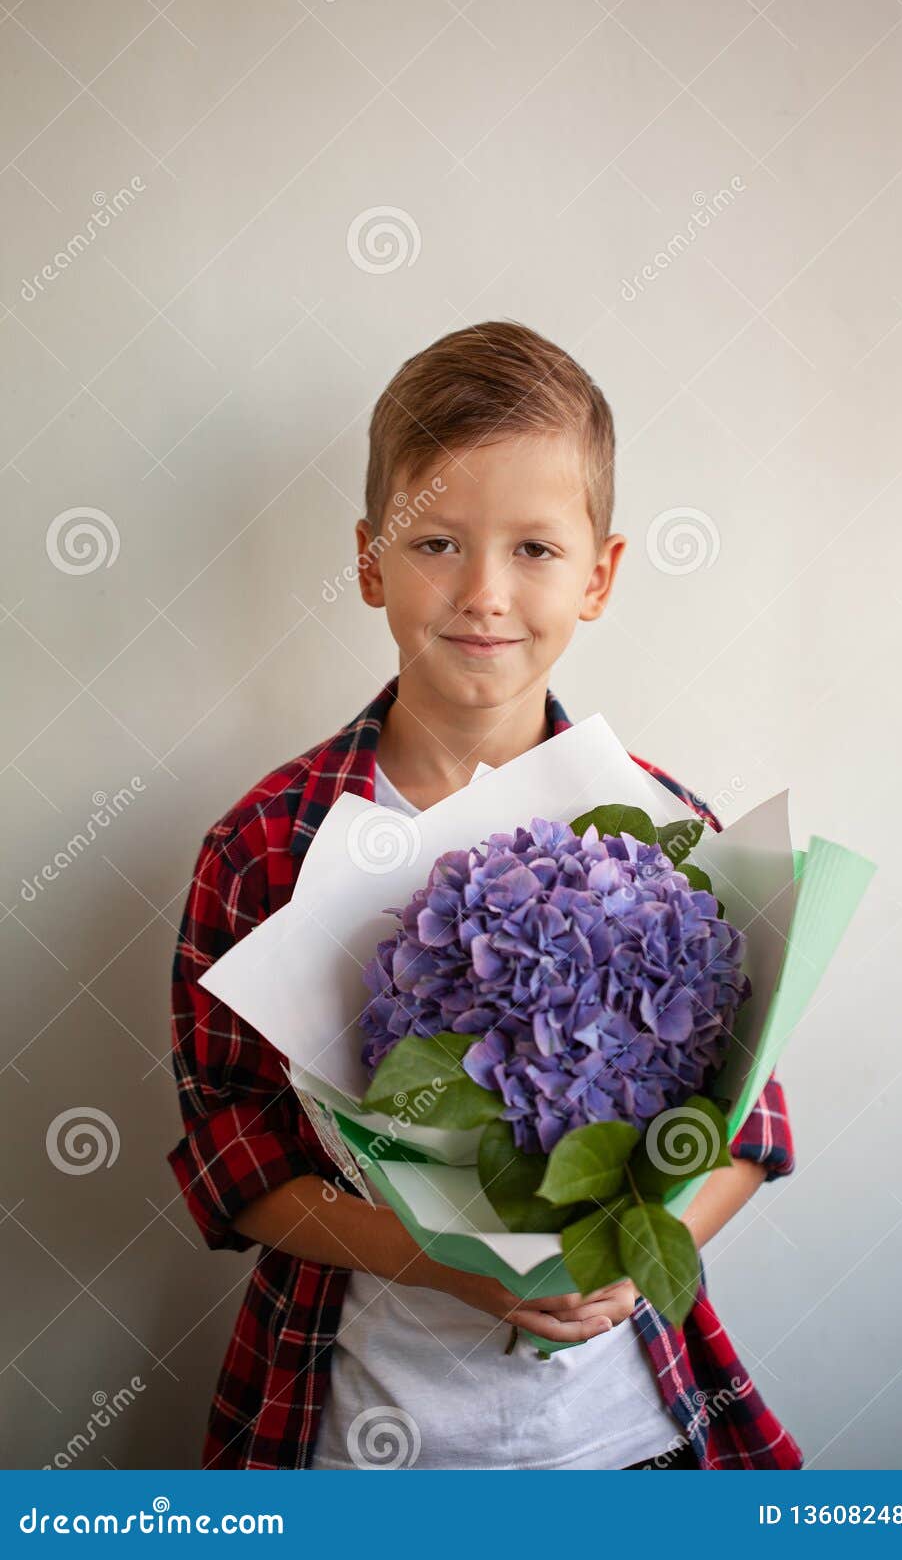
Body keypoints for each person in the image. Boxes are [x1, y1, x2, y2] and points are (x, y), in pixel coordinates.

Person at [167, 319, 803, 1470]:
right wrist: (447, 1260)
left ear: (599, 574)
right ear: (369, 560)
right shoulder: (264, 846)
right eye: (437, 544)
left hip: (625, 1434)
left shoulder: (664, 832)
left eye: (534, 549)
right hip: (360, 1434)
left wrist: (627, 1258)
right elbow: (232, 1153)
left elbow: (748, 1129)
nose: (483, 593)